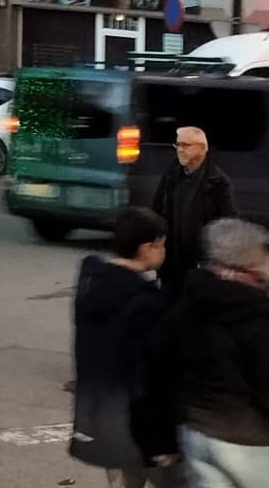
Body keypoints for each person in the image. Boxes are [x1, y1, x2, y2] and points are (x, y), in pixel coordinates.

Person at [148, 218, 269, 488]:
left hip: (197, 432)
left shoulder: (186, 298)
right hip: (248, 438)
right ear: (251, 262)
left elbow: (161, 367)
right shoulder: (257, 311)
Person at [69, 206, 176, 488]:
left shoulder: (92, 283)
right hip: (135, 427)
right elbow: (146, 379)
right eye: (161, 245)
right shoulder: (145, 303)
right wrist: (160, 442)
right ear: (145, 248)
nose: (163, 251)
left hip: (98, 416)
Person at [150, 126, 236, 291]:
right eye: (178, 145)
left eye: (186, 145)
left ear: (202, 149)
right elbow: (157, 211)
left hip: (199, 268)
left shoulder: (218, 182)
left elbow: (227, 226)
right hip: (171, 266)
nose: (180, 150)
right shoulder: (171, 175)